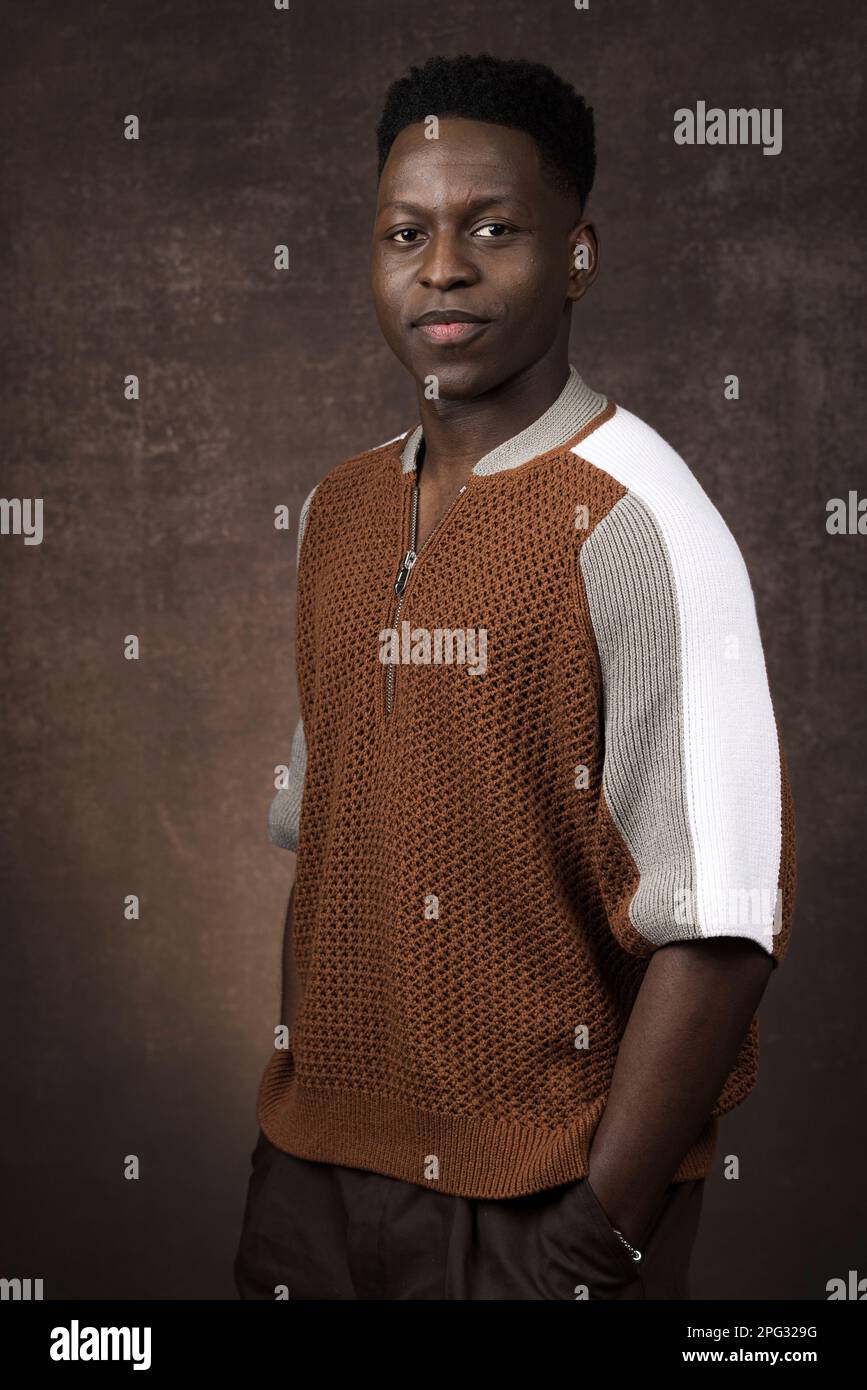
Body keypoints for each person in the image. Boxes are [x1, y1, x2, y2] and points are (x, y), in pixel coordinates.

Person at [234, 52, 796, 1301]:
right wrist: (294, 1135)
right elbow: (321, 844)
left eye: (493, 228)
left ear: (578, 255)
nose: (443, 268)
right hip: (314, 1189)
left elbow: (725, 925)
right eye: (406, 232)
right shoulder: (339, 512)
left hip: (540, 1209)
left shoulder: (646, 522)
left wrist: (594, 1238)